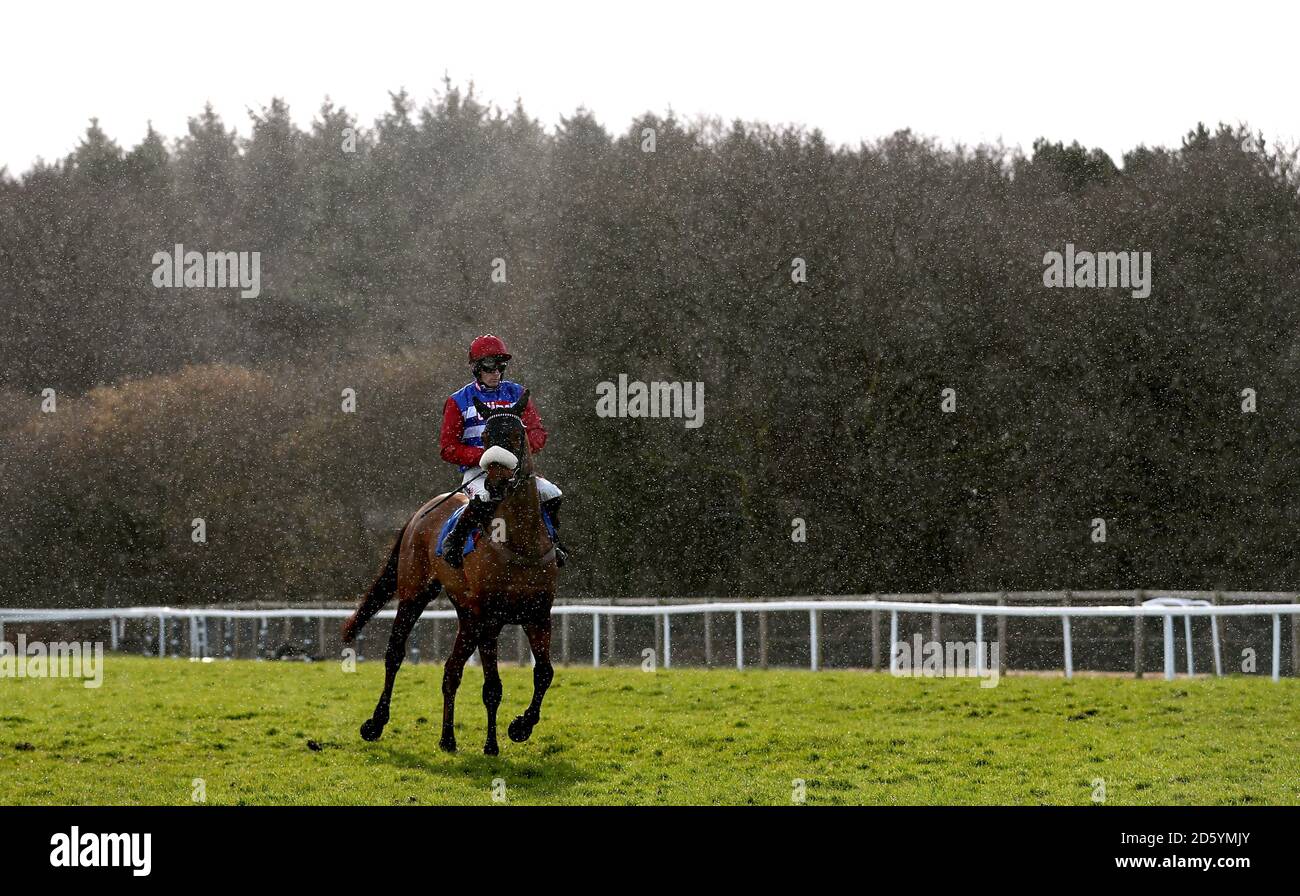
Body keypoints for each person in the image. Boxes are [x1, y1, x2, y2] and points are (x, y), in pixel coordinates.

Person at [438, 334, 568, 568]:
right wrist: (487, 458)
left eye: (501, 365)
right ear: (477, 368)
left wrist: (518, 454)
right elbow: (448, 448)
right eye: (489, 365)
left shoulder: (518, 394)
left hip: (516, 471)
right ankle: (454, 543)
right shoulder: (458, 401)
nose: (496, 372)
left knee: (552, 493)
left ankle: (553, 541)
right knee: (484, 497)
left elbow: (538, 433)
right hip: (478, 472)